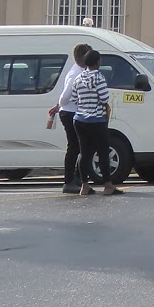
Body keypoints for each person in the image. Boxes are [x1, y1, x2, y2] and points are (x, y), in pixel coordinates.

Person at [71, 50, 121, 196]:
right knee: (103, 152)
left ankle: (84, 185)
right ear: (97, 62)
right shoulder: (99, 78)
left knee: (84, 153)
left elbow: (74, 98)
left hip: (79, 119)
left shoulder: (79, 78)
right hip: (97, 120)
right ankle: (108, 185)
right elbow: (104, 98)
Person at [47, 42, 92, 194]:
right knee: (75, 147)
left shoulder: (79, 71)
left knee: (80, 147)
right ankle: (70, 181)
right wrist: (62, 104)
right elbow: (65, 96)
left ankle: (77, 179)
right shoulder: (75, 73)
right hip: (70, 113)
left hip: (71, 112)